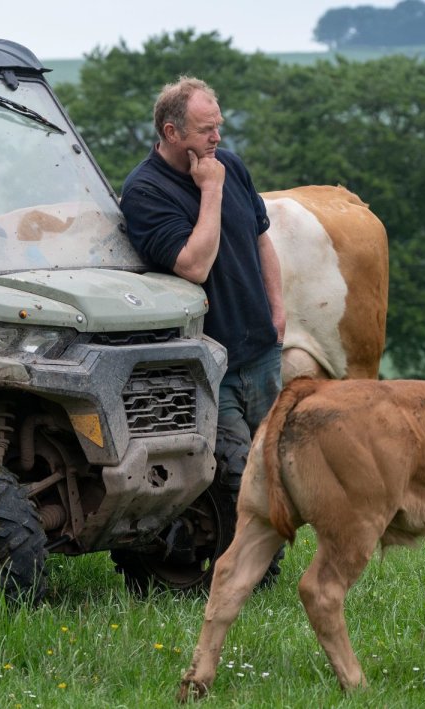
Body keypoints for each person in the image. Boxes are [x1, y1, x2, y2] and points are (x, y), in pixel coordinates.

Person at [120, 76, 285, 457]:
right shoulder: (145, 191)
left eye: (218, 127)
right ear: (171, 132)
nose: (217, 139)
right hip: (209, 365)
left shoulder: (229, 165)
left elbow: (261, 238)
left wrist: (278, 312)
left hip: (262, 350)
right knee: (235, 475)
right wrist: (211, 190)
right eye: (206, 130)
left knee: (276, 460)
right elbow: (194, 267)